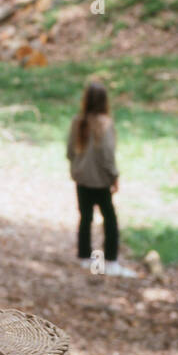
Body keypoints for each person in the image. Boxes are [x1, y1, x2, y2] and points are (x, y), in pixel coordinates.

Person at [66, 79, 135, 277]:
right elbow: (107, 154)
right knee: (110, 220)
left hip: (82, 180)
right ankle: (111, 260)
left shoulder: (77, 122)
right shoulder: (105, 124)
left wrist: (77, 169)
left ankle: (84, 256)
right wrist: (114, 176)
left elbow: (70, 151)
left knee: (85, 217)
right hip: (100, 182)